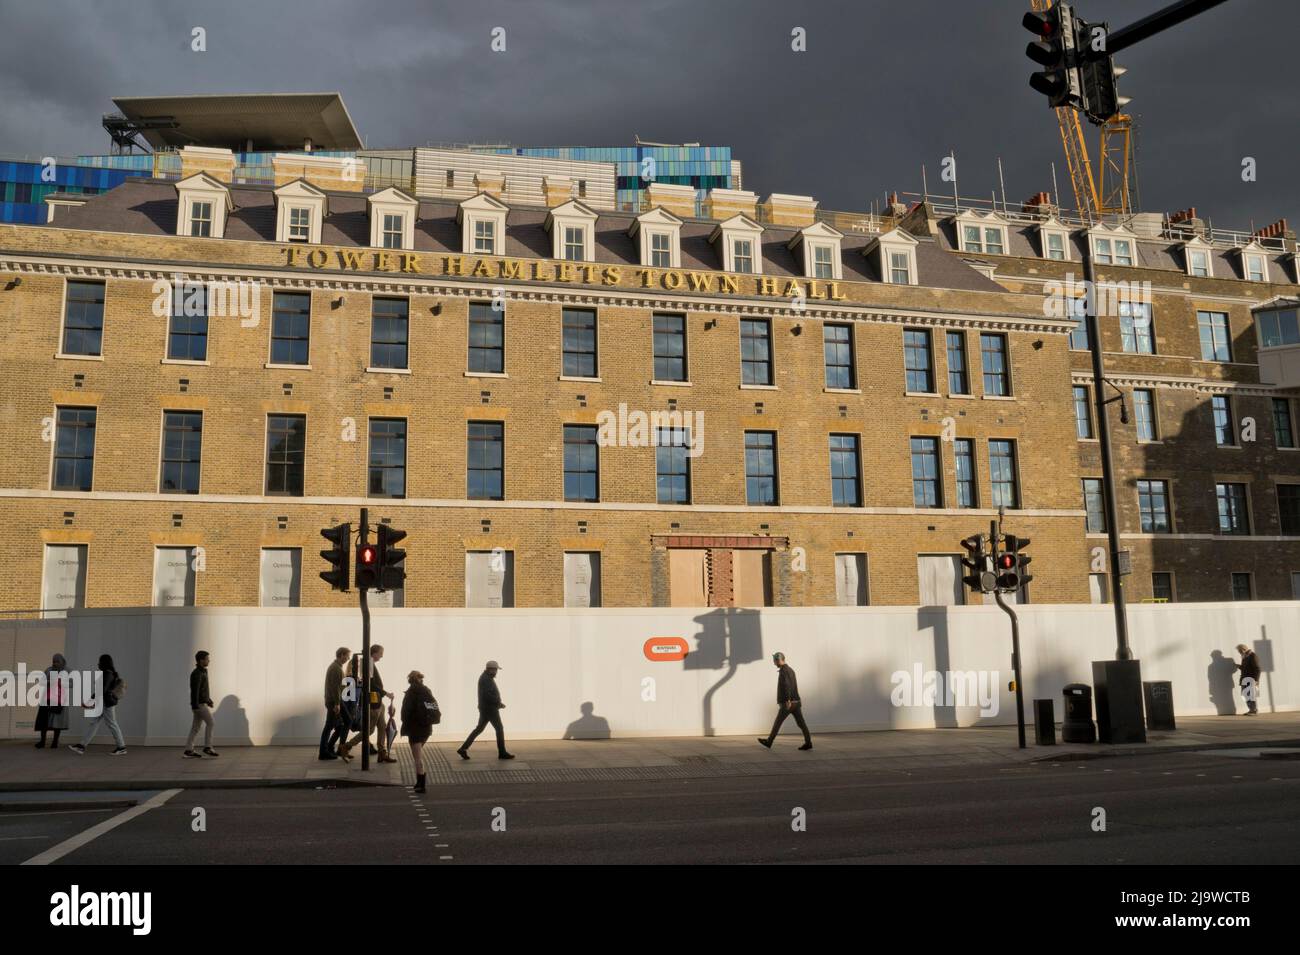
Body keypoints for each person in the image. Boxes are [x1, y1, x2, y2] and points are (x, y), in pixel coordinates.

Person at [68, 654, 126, 755]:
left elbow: (101, 690)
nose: (98, 663)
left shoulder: (107, 674)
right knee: (95, 723)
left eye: (100, 661)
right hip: (104, 702)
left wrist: (90, 701)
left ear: (104, 663)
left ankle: (121, 747)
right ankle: (82, 746)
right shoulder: (108, 673)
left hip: (105, 702)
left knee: (111, 724)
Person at [457, 660, 514, 760]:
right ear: (490, 669)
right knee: (499, 729)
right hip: (490, 709)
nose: (496, 672)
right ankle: (502, 752)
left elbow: (488, 694)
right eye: (495, 669)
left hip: (486, 708)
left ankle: (463, 748)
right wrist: (498, 703)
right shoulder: (486, 679)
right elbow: (488, 695)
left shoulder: (486, 677)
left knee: (479, 729)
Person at [758, 651, 812, 751]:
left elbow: (787, 686)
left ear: (778, 660)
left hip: (788, 703)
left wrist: (787, 699)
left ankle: (769, 742)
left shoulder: (784, 671)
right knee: (801, 724)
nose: (773, 663)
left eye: (774, 660)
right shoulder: (790, 670)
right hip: (796, 702)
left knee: (777, 722)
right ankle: (808, 743)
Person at [401, 670, 438, 793]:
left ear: (410, 680)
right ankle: (419, 782)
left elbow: (405, 713)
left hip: (415, 728)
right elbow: (433, 707)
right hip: (426, 728)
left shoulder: (411, 693)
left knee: (417, 757)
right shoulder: (426, 691)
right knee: (418, 755)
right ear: (420, 679)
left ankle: (421, 784)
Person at [182, 650, 219, 758]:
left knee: (195, 727)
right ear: (201, 660)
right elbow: (195, 690)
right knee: (211, 723)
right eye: (207, 659)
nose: (209, 660)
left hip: (200, 704)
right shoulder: (197, 673)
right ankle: (208, 747)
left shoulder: (203, 671)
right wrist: (195, 705)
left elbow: (203, 690)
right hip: (199, 705)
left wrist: (209, 700)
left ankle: (189, 749)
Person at [319, 647, 351, 760]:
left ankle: (329, 748)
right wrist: (337, 704)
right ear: (341, 655)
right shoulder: (335, 668)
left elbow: (338, 686)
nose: (348, 658)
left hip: (335, 701)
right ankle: (324, 752)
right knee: (332, 725)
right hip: (334, 702)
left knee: (339, 726)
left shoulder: (337, 667)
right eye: (347, 656)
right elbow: (335, 688)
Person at [34, 653, 69, 750]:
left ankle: (55, 742)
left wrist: (61, 683)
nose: (55, 663)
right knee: (43, 720)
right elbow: (41, 682)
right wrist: (50, 682)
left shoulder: (67, 671)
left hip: (60, 699)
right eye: (53, 661)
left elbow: (72, 684)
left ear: (62, 662)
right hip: (47, 699)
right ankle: (42, 741)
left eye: (57, 661)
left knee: (57, 721)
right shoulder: (49, 670)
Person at [368, 645, 397, 764]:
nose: (382, 656)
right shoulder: (368, 663)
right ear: (374, 653)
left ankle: (382, 754)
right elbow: (372, 685)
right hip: (374, 702)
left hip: (378, 702)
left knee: (382, 727)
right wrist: (386, 694)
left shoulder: (370, 663)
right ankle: (347, 746)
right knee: (369, 730)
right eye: (380, 653)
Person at [1236, 644, 1262, 715]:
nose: (1239, 652)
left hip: (1250, 679)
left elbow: (1257, 669)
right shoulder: (1245, 657)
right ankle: (1251, 709)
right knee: (1245, 694)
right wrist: (1239, 666)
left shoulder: (1252, 656)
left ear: (1243, 649)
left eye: (1239, 651)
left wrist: (1256, 680)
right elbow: (1246, 668)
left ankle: (1254, 710)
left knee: (1250, 695)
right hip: (1245, 679)